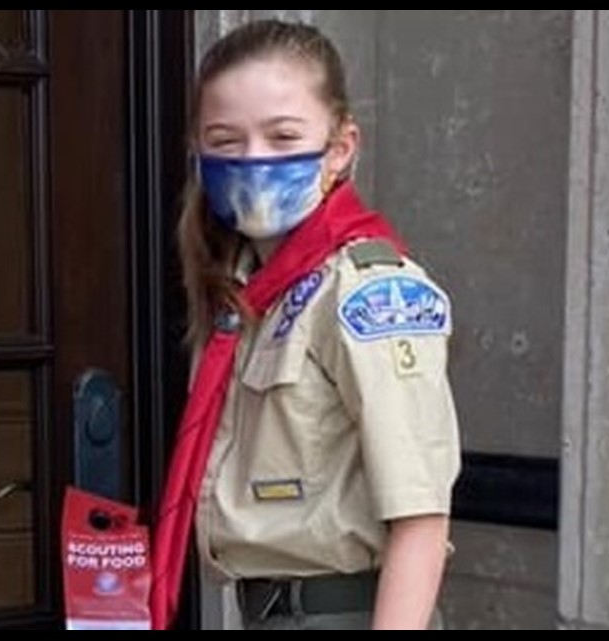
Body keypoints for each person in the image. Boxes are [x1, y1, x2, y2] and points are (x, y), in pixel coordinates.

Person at [150, 19, 461, 630]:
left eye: (283, 135)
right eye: (226, 140)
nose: (254, 159)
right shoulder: (246, 293)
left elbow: (421, 519)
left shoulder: (369, 290)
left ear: (340, 148)